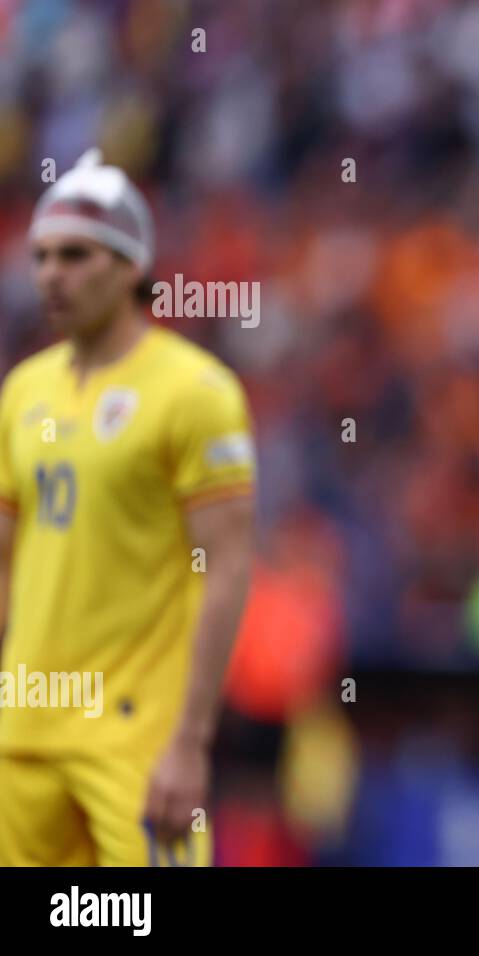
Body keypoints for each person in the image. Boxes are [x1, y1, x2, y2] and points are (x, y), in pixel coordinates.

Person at [0, 148, 256, 866]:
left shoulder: (195, 393)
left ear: (131, 265)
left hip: (133, 740)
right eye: (42, 256)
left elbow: (228, 569)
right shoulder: (23, 392)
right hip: (22, 736)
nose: (52, 274)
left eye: (75, 255)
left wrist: (191, 742)